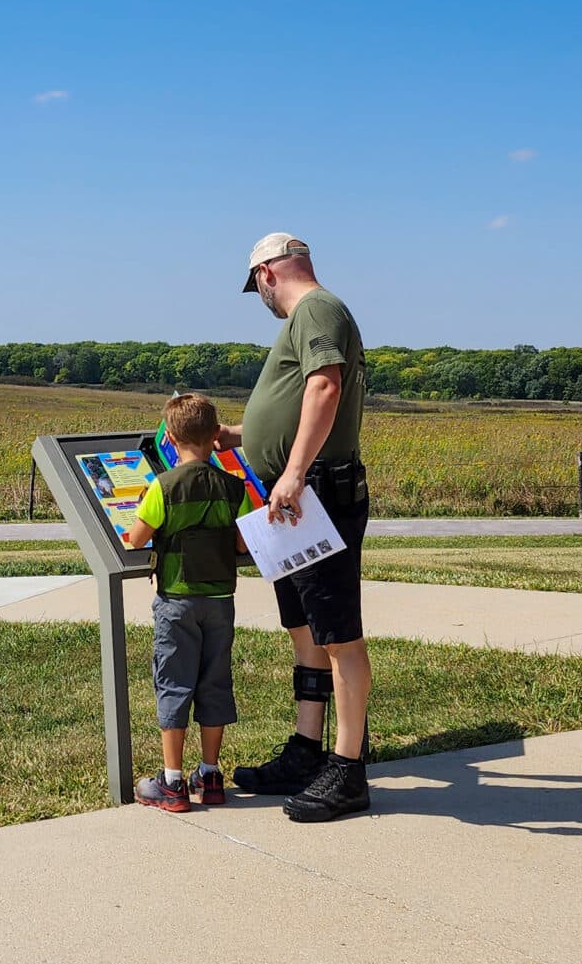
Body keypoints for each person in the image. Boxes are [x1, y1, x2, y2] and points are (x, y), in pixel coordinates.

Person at [220, 232, 373, 823]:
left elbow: (325, 384)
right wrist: (241, 435)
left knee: (337, 633)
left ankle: (347, 768)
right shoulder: (314, 314)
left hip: (315, 495)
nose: (260, 294)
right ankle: (309, 749)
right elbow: (298, 398)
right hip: (295, 499)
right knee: (306, 629)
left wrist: (293, 470)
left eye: (256, 286)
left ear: (266, 275)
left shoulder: (316, 309)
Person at [118, 392, 255, 812]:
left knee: (174, 682)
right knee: (214, 683)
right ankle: (210, 775)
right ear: (216, 436)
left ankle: (173, 782)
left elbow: (136, 538)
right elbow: (240, 541)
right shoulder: (235, 488)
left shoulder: (163, 487)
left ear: (170, 437)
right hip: (220, 601)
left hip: (176, 600)